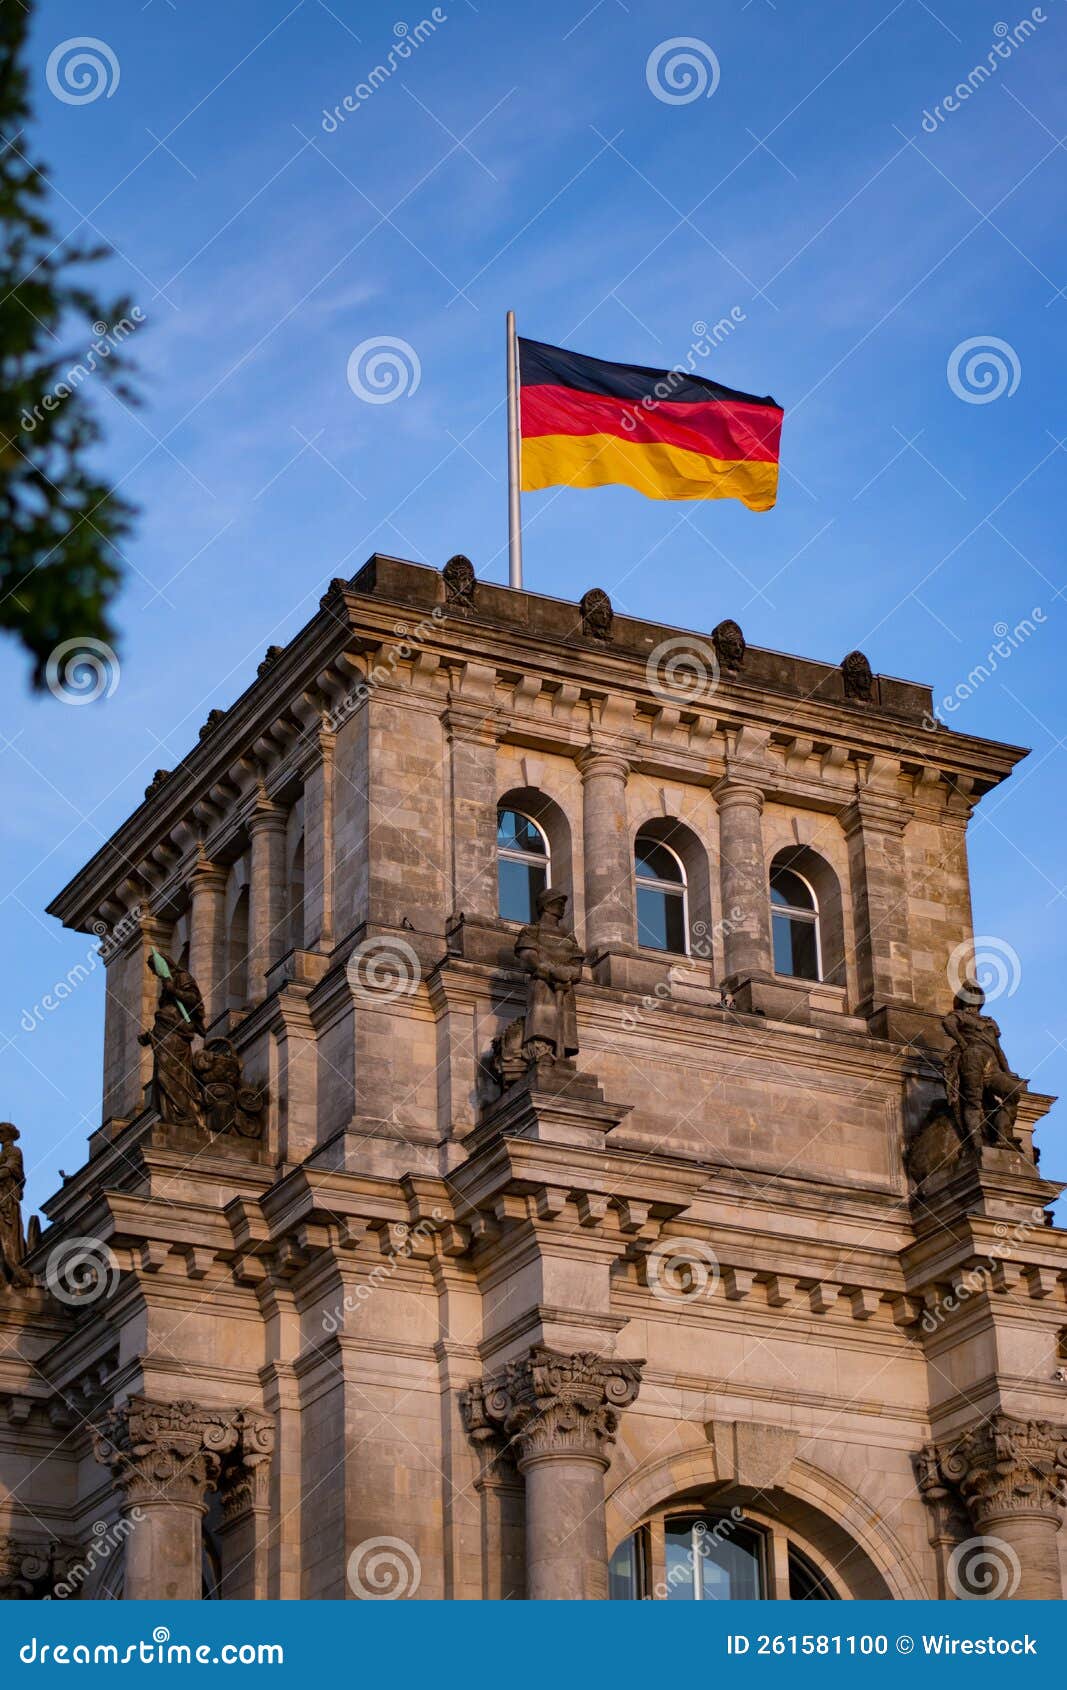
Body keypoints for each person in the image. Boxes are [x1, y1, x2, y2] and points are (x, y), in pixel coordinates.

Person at [942, 982, 1024, 1153]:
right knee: (973, 1102)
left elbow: (998, 1048)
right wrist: (963, 1043)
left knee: (1012, 1094)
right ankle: (976, 1144)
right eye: (969, 992)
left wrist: (1007, 1071)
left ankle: (1003, 1137)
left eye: (976, 992)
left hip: (991, 1062)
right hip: (972, 1058)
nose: (972, 996)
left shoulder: (990, 1021)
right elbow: (948, 1023)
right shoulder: (959, 1015)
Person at [515, 889, 584, 1063]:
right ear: (546, 906)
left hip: (564, 987)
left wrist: (569, 973)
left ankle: (562, 1054)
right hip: (543, 984)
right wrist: (550, 971)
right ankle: (541, 1051)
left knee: (564, 1025)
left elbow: (577, 966)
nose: (562, 909)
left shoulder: (569, 937)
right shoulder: (531, 931)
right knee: (542, 1018)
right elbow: (528, 957)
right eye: (558, 904)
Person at [138, 951, 205, 1124]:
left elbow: (194, 1000)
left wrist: (174, 990)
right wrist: (149, 1036)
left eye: (154, 968)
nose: (154, 973)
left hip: (177, 1032)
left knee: (167, 1075)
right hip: (164, 1031)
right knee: (162, 1077)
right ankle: (173, 1114)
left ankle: (184, 1114)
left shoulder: (182, 977)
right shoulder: (165, 983)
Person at [0, 1124, 32, 1289]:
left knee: (7, 1235)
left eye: (1, 1131)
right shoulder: (3, 1153)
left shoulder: (14, 1151)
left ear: (9, 1134)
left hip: (7, 1200)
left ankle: (15, 1271)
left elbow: (9, 1169)